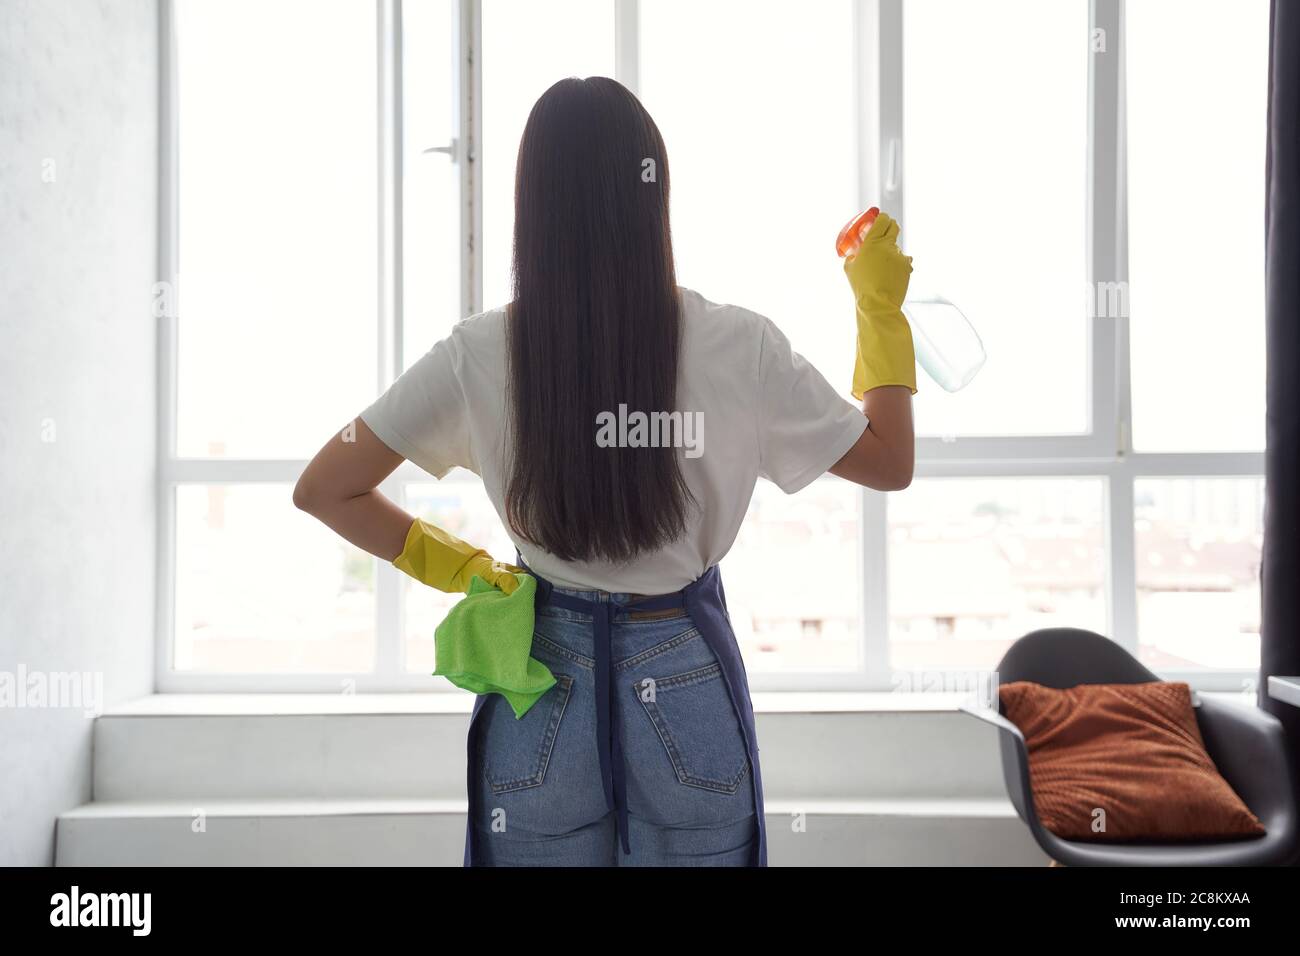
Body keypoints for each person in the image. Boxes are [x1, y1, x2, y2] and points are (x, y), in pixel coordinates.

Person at [293, 76, 917, 867]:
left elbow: (325, 487)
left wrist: (465, 569)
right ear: (652, 194)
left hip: (540, 677)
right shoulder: (740, 345)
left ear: (533, 208)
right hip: (682, 672)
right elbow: (890, 459)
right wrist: (879, 311)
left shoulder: (476, 354)